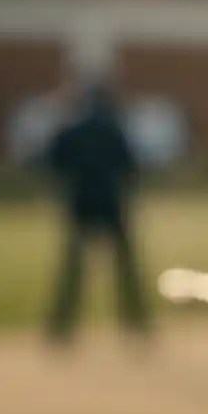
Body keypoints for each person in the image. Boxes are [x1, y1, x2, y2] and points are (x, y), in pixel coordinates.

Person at [44, 82, 149, 344]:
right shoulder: (114, 130)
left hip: (81, 204)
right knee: (125, 268)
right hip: (110, 203)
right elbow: (130, 167)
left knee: (73, 269)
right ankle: (136, 322)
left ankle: (61, 327)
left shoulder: (71, 130)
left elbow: (53, 162)